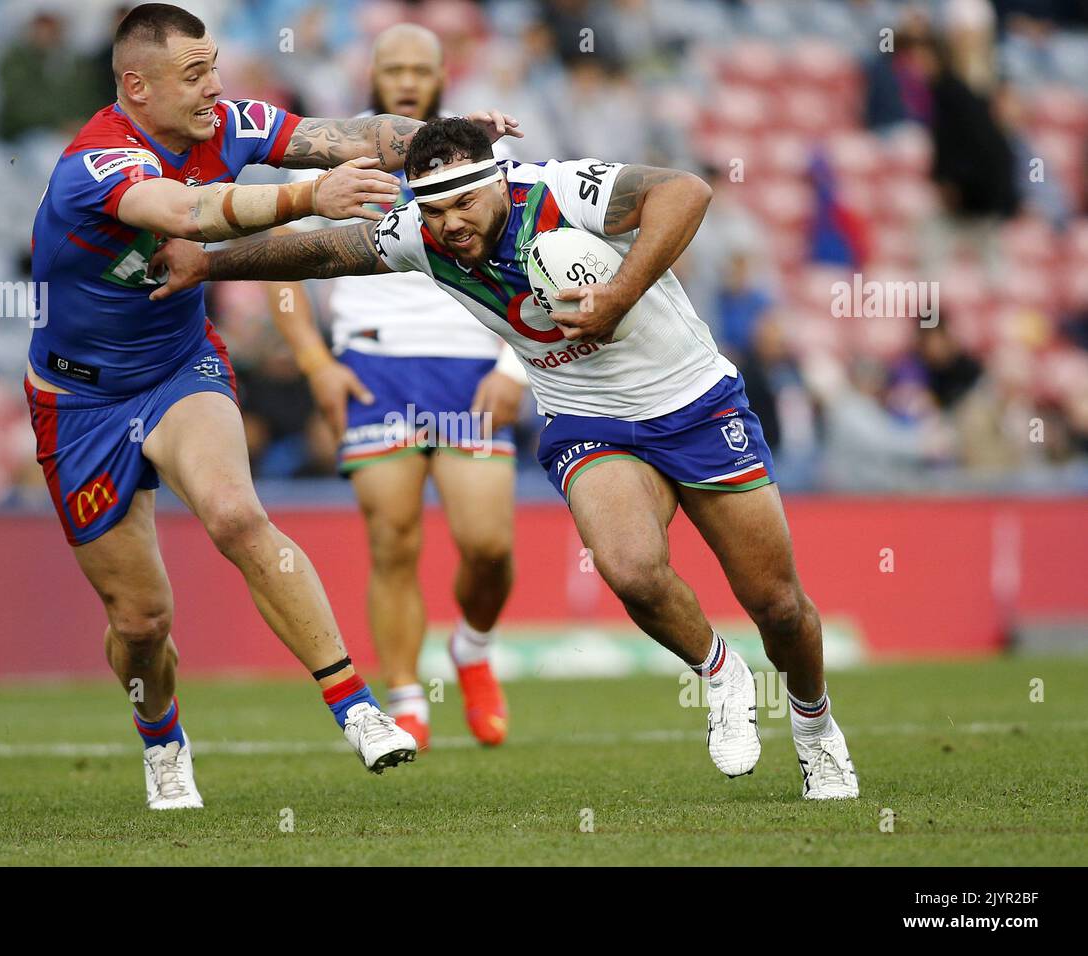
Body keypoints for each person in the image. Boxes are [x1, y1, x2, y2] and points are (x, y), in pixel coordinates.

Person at [152, 118, 859, 800]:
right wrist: (208, 263)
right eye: (434, 208)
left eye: (464, 200)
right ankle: (721, 672)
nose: (450, 221)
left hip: (695, 402)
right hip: (589, 420)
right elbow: (321, 253)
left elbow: (686, 191)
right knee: (631, 569)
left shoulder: (561, 191)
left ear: (497, 180)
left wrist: (617, 295)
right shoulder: (422, 236)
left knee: (778, 606)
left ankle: (814, 724)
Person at [23, 4, 521, 809]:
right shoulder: (95, 164)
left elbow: (351, 133)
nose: (215, 86)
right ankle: (163, 745)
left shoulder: (229, 119)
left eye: (215, 66)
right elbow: (187, 214)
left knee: (235, 514)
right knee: (143, 624)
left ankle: (358, 708)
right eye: (195, 75)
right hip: (77, 400)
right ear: (136, 86)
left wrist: (449, 145)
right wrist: (307, 199)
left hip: (177, 368)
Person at [266, 24, 525, 751]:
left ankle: (472, 649)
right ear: (372, 74)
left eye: (421, 68)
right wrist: (316, 363)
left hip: (470, 367)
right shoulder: (333, 156)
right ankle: (407, 696)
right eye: (394, 68)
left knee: (486, 545)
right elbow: (279, 269)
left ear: (445, 72)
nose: (407, 80)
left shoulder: (486, 155)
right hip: (375, 368)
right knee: (392, 540)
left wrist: (514, 368)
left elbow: (532, 257)